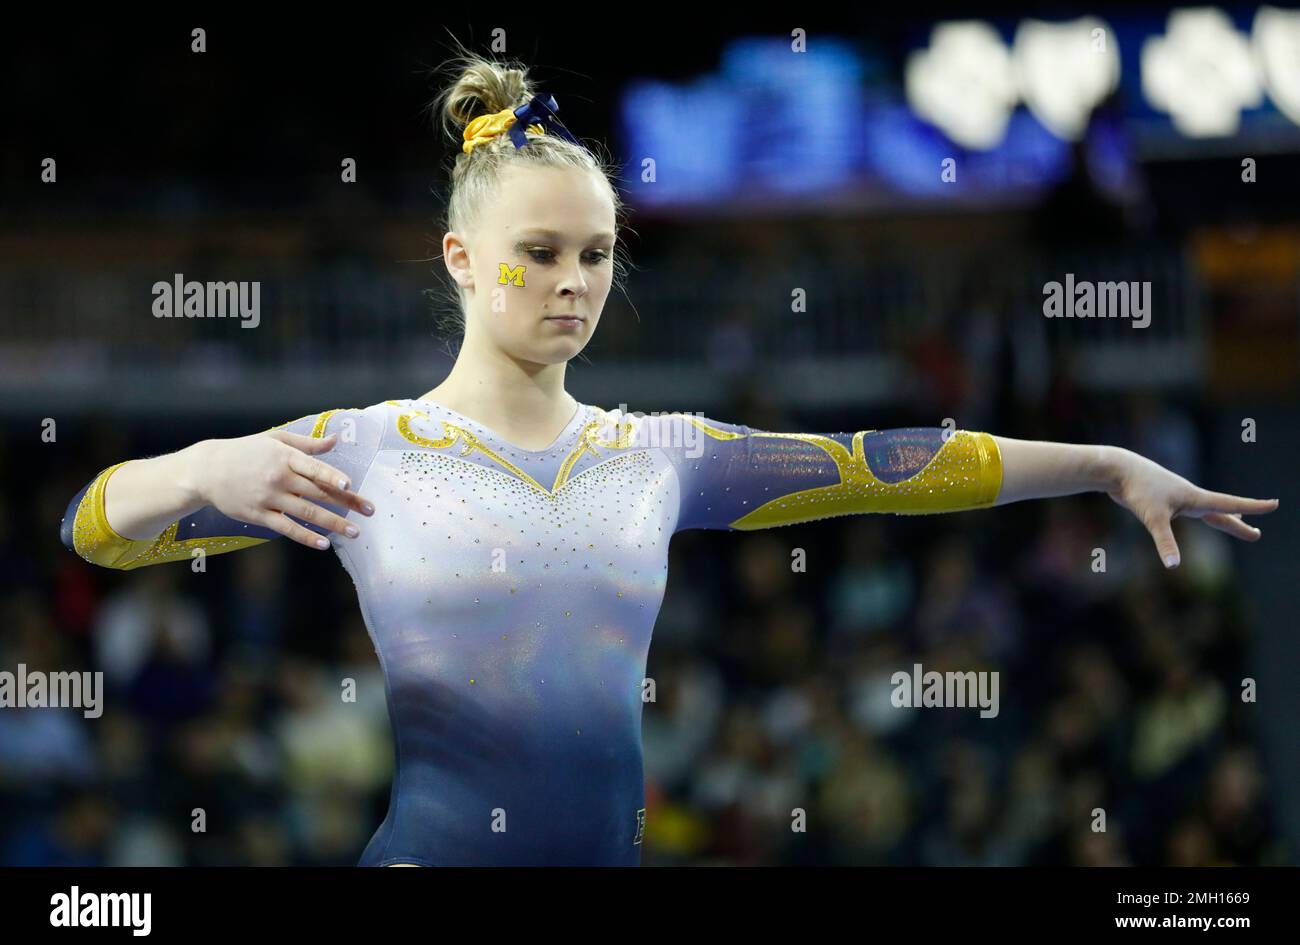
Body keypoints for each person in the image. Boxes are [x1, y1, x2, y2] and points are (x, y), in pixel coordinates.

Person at [59, 53, 1278, 866]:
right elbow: (92, 530)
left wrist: (1104, 461)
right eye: (537, 251)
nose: (572, 281)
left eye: (595, 253)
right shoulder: (363, 451)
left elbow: (887, 462)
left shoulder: (658, 454)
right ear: (459, 259)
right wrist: (201, 466)